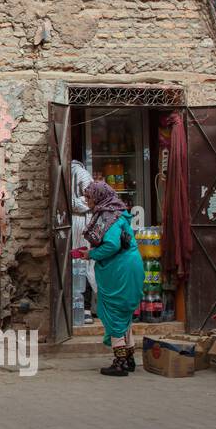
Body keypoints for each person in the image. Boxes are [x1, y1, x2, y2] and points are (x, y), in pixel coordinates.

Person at [73, 180, 144, 377]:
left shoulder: (108, 217)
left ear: (99, 197)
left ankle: (119, 362)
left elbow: (112, 245)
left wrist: (91, 254)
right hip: (128, 266)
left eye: (89, 197)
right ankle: (129, 357)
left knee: (113, 312)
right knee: (124, 315)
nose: (86, 201)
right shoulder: (117, 214)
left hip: (120, 270)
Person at [69, 159, 97, 323]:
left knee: (83, 263)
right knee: (75, 263)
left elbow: (91, 198)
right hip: (73, 223)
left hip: (81, 223)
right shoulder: (68, 172)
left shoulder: (80, 173)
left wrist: (69, 203)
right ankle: (76, 306)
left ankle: (86, 307)